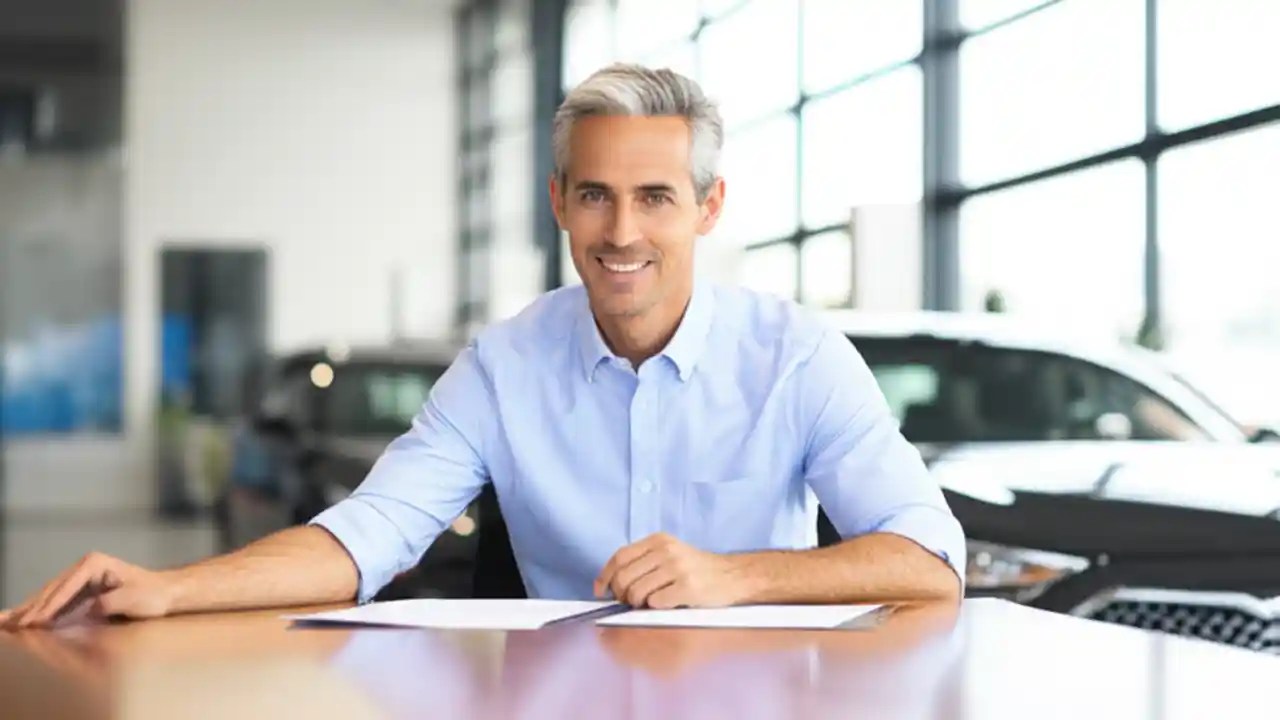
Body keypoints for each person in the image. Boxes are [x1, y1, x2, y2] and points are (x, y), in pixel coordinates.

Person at [1, 64, 964, 630]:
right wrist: (169, 590)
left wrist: (734, 574)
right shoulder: (504, 365)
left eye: (656, 197)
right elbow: (366, 537)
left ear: (709, 207)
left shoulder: (798, 358)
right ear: (558, 202)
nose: (620, 230)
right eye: (594, 195)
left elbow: (930, 557)